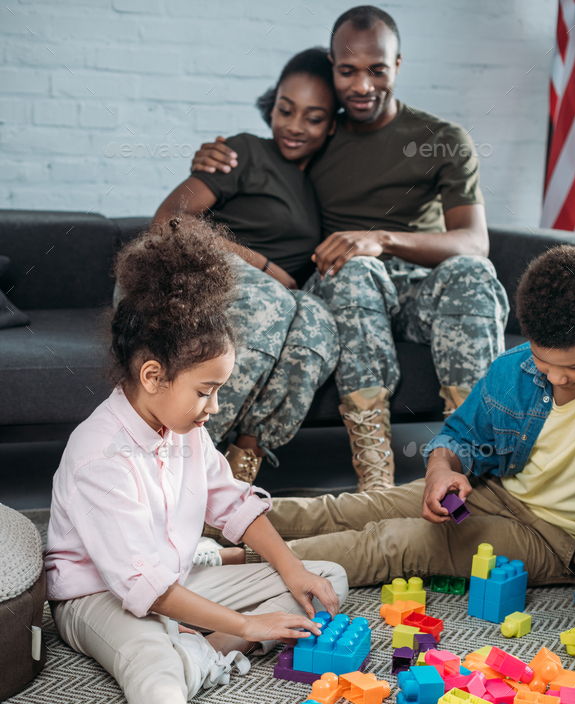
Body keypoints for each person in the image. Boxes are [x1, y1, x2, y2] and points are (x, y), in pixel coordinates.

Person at [45, 217, 348, 704]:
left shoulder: (184, 427)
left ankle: (200, 654)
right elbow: (146, 589)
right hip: (97, 598)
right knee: (148, 664)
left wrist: (291, 570)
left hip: (176, 579)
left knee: (324, 583)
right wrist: (244, 620)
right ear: (153, 376)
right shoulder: (100, 455)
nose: (214, 408)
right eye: (206, 392)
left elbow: (228, 500)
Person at [191, 5, 510, 492]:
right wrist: (211, 158)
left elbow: (474, 242)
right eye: (348, 71)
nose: (362, 86)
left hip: (423, 291)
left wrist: (380, 238)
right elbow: (269, 153)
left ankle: (472, 470)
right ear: (333, 68)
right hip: (349, 286)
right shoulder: (320, 132)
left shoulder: (442, 140)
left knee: (473, 273)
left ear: (397, 65)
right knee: (353, 269)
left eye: (377, 70)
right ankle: (377, 479)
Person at [223, 246, 575, 592]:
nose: (557, 378)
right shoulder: (515, 368)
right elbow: (459, 436)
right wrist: (440, 471)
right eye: (545, 363)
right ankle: (200, 515)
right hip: (495, 490)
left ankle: (229, 565)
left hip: (557, 540)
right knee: (354, 507)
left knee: (397, 541)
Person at [152, 48, 340, 484]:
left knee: (318, 321)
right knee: (272, 302)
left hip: (268, 295)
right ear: (270, 106)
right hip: (184, 271)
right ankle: (174, 462)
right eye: (284, 110)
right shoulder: (243, 152)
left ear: (332, 125)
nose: (293, 126)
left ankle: (240, 466)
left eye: (312, 118)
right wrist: (264, 265)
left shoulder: (325, 183)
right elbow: (169, 220)